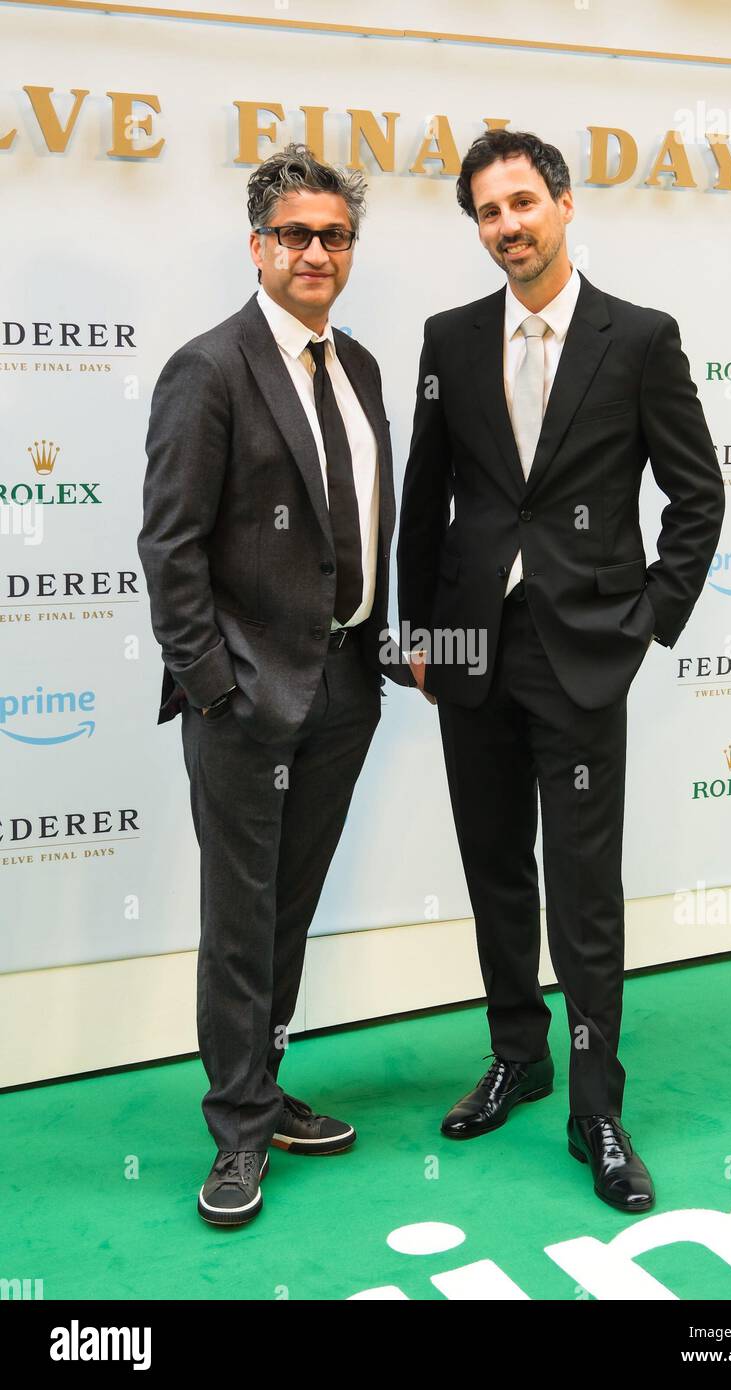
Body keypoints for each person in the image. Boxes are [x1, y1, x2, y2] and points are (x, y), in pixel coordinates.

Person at [397, 128, 725, 1214]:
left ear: (565, 204)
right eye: (488, 213)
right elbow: (423, 501)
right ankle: (516, 1054)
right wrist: (420, 640)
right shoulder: (447, 338)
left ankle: (595, 1104)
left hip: (582, 653)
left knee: (584, 891)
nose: (507, 227)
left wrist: (645, 622)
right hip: (468, 651)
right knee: (494, 865)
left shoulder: (637, 338)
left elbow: (696, 496)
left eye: (522, 203)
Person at [138, 143, 410, 1227]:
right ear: (257, 245)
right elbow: (169, 545)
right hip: (247, 696)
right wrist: (212, 685)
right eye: (293, 233)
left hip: (344, 683)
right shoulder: (209, 368)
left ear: (350, 250)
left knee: (287, 912)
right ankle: (237, 1130)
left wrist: (386, 648)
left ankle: (266, 1082)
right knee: (240, 917)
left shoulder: (363, 368)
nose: (313, 250)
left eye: (331, 234)